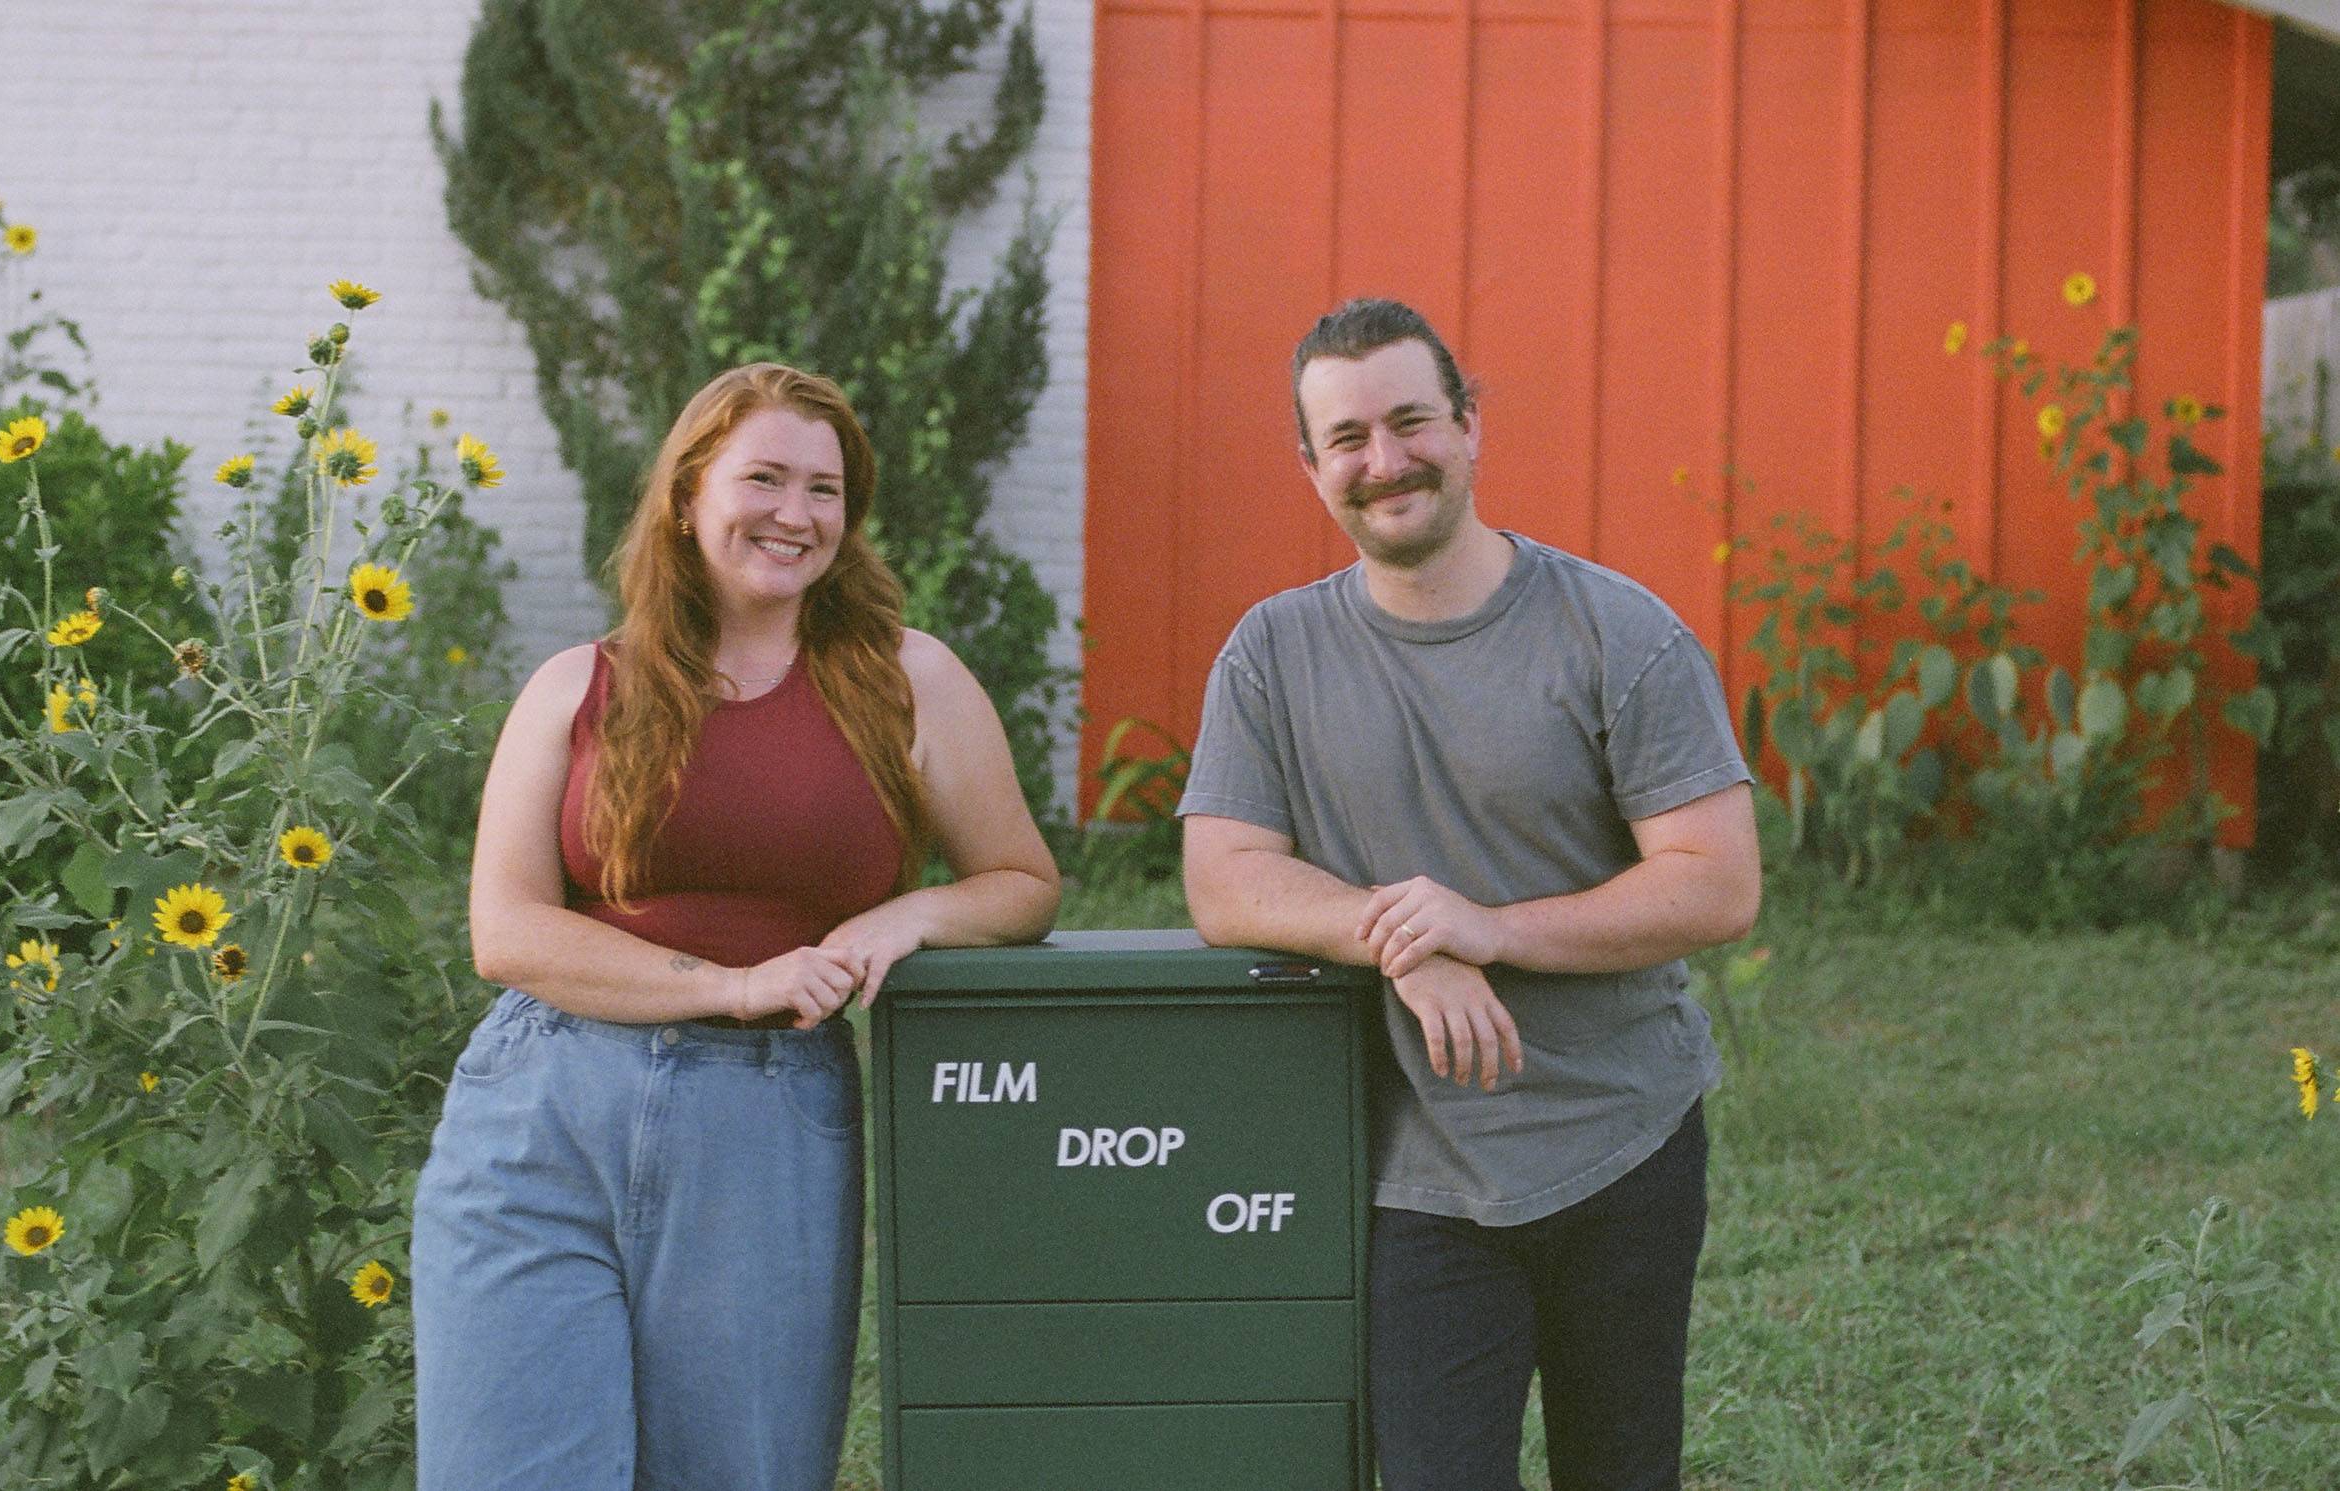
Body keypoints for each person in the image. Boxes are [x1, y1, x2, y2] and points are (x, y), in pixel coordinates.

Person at [413, 362, 1060, 1490]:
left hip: (766, 1122)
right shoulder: (575, 688)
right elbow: (507, 932)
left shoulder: (909, 683)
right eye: (763, 478)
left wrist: (910, 914)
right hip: (539, 1119)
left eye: (825, 489)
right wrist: (730, 984)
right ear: (685, 497)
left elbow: (1021, 882)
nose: (795, 513)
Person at [1178, 298, 1760, 1491]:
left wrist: (1487, 929)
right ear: (1309, 466)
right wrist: (1406, 937)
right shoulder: (1271, 655)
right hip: (1416, 1172)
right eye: (1347, 439)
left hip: (1624, 1140)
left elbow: (1715, 883)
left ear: (1469, 424)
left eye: (1410, 422)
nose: (1384, 461)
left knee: (1622, 1472)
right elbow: (1223, 878)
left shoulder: (1616, 633)